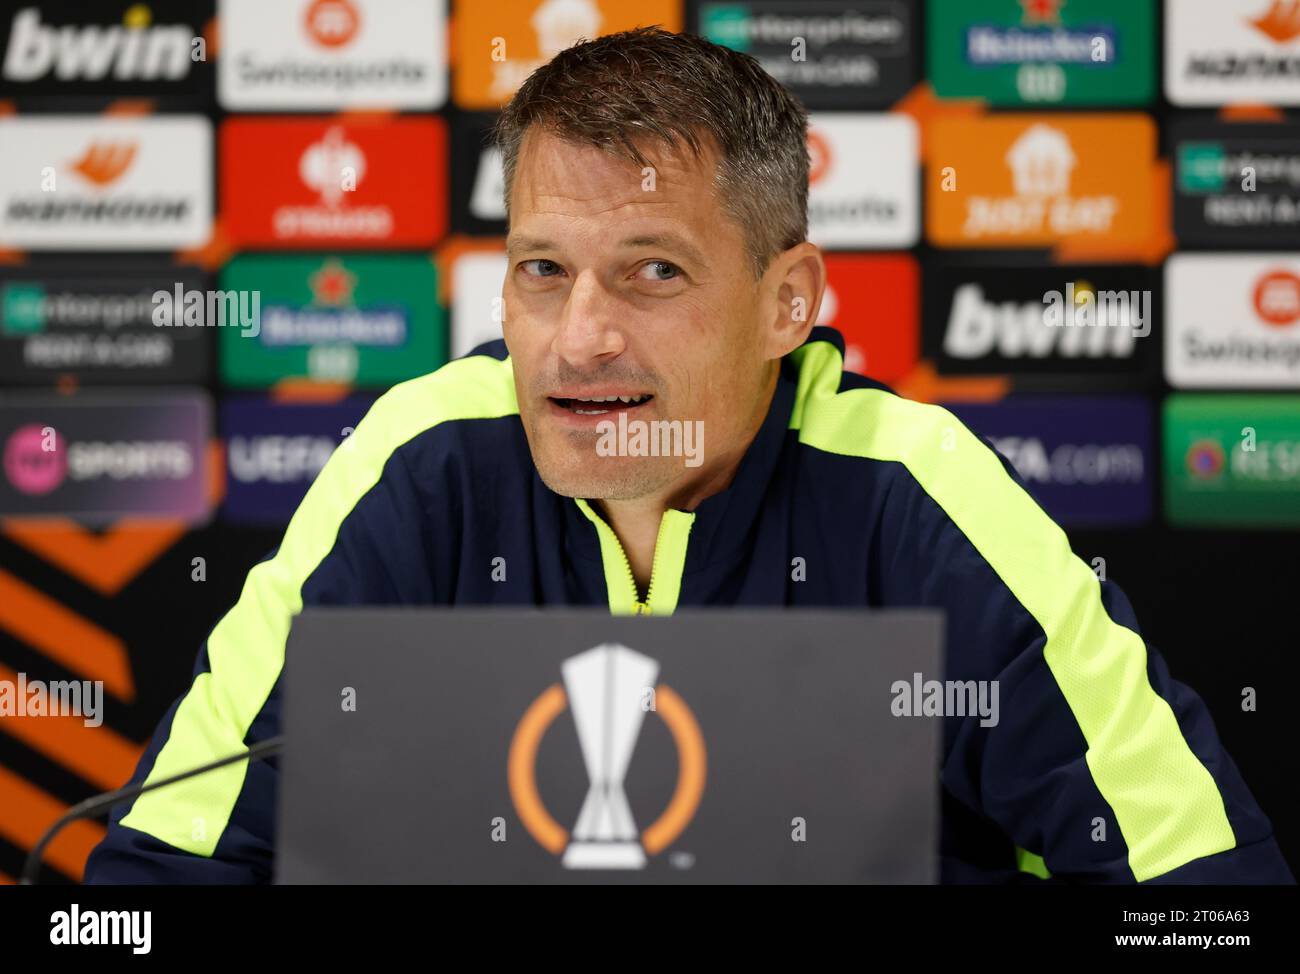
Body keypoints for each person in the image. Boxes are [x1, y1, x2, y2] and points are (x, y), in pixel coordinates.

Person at [87, 27, 1292, 884]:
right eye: (542, 270)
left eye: (653, 271)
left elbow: (1200, 892)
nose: (579, 337)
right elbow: (153, 877)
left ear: (787, 303)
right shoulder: (422, 459)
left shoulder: (916, 491)